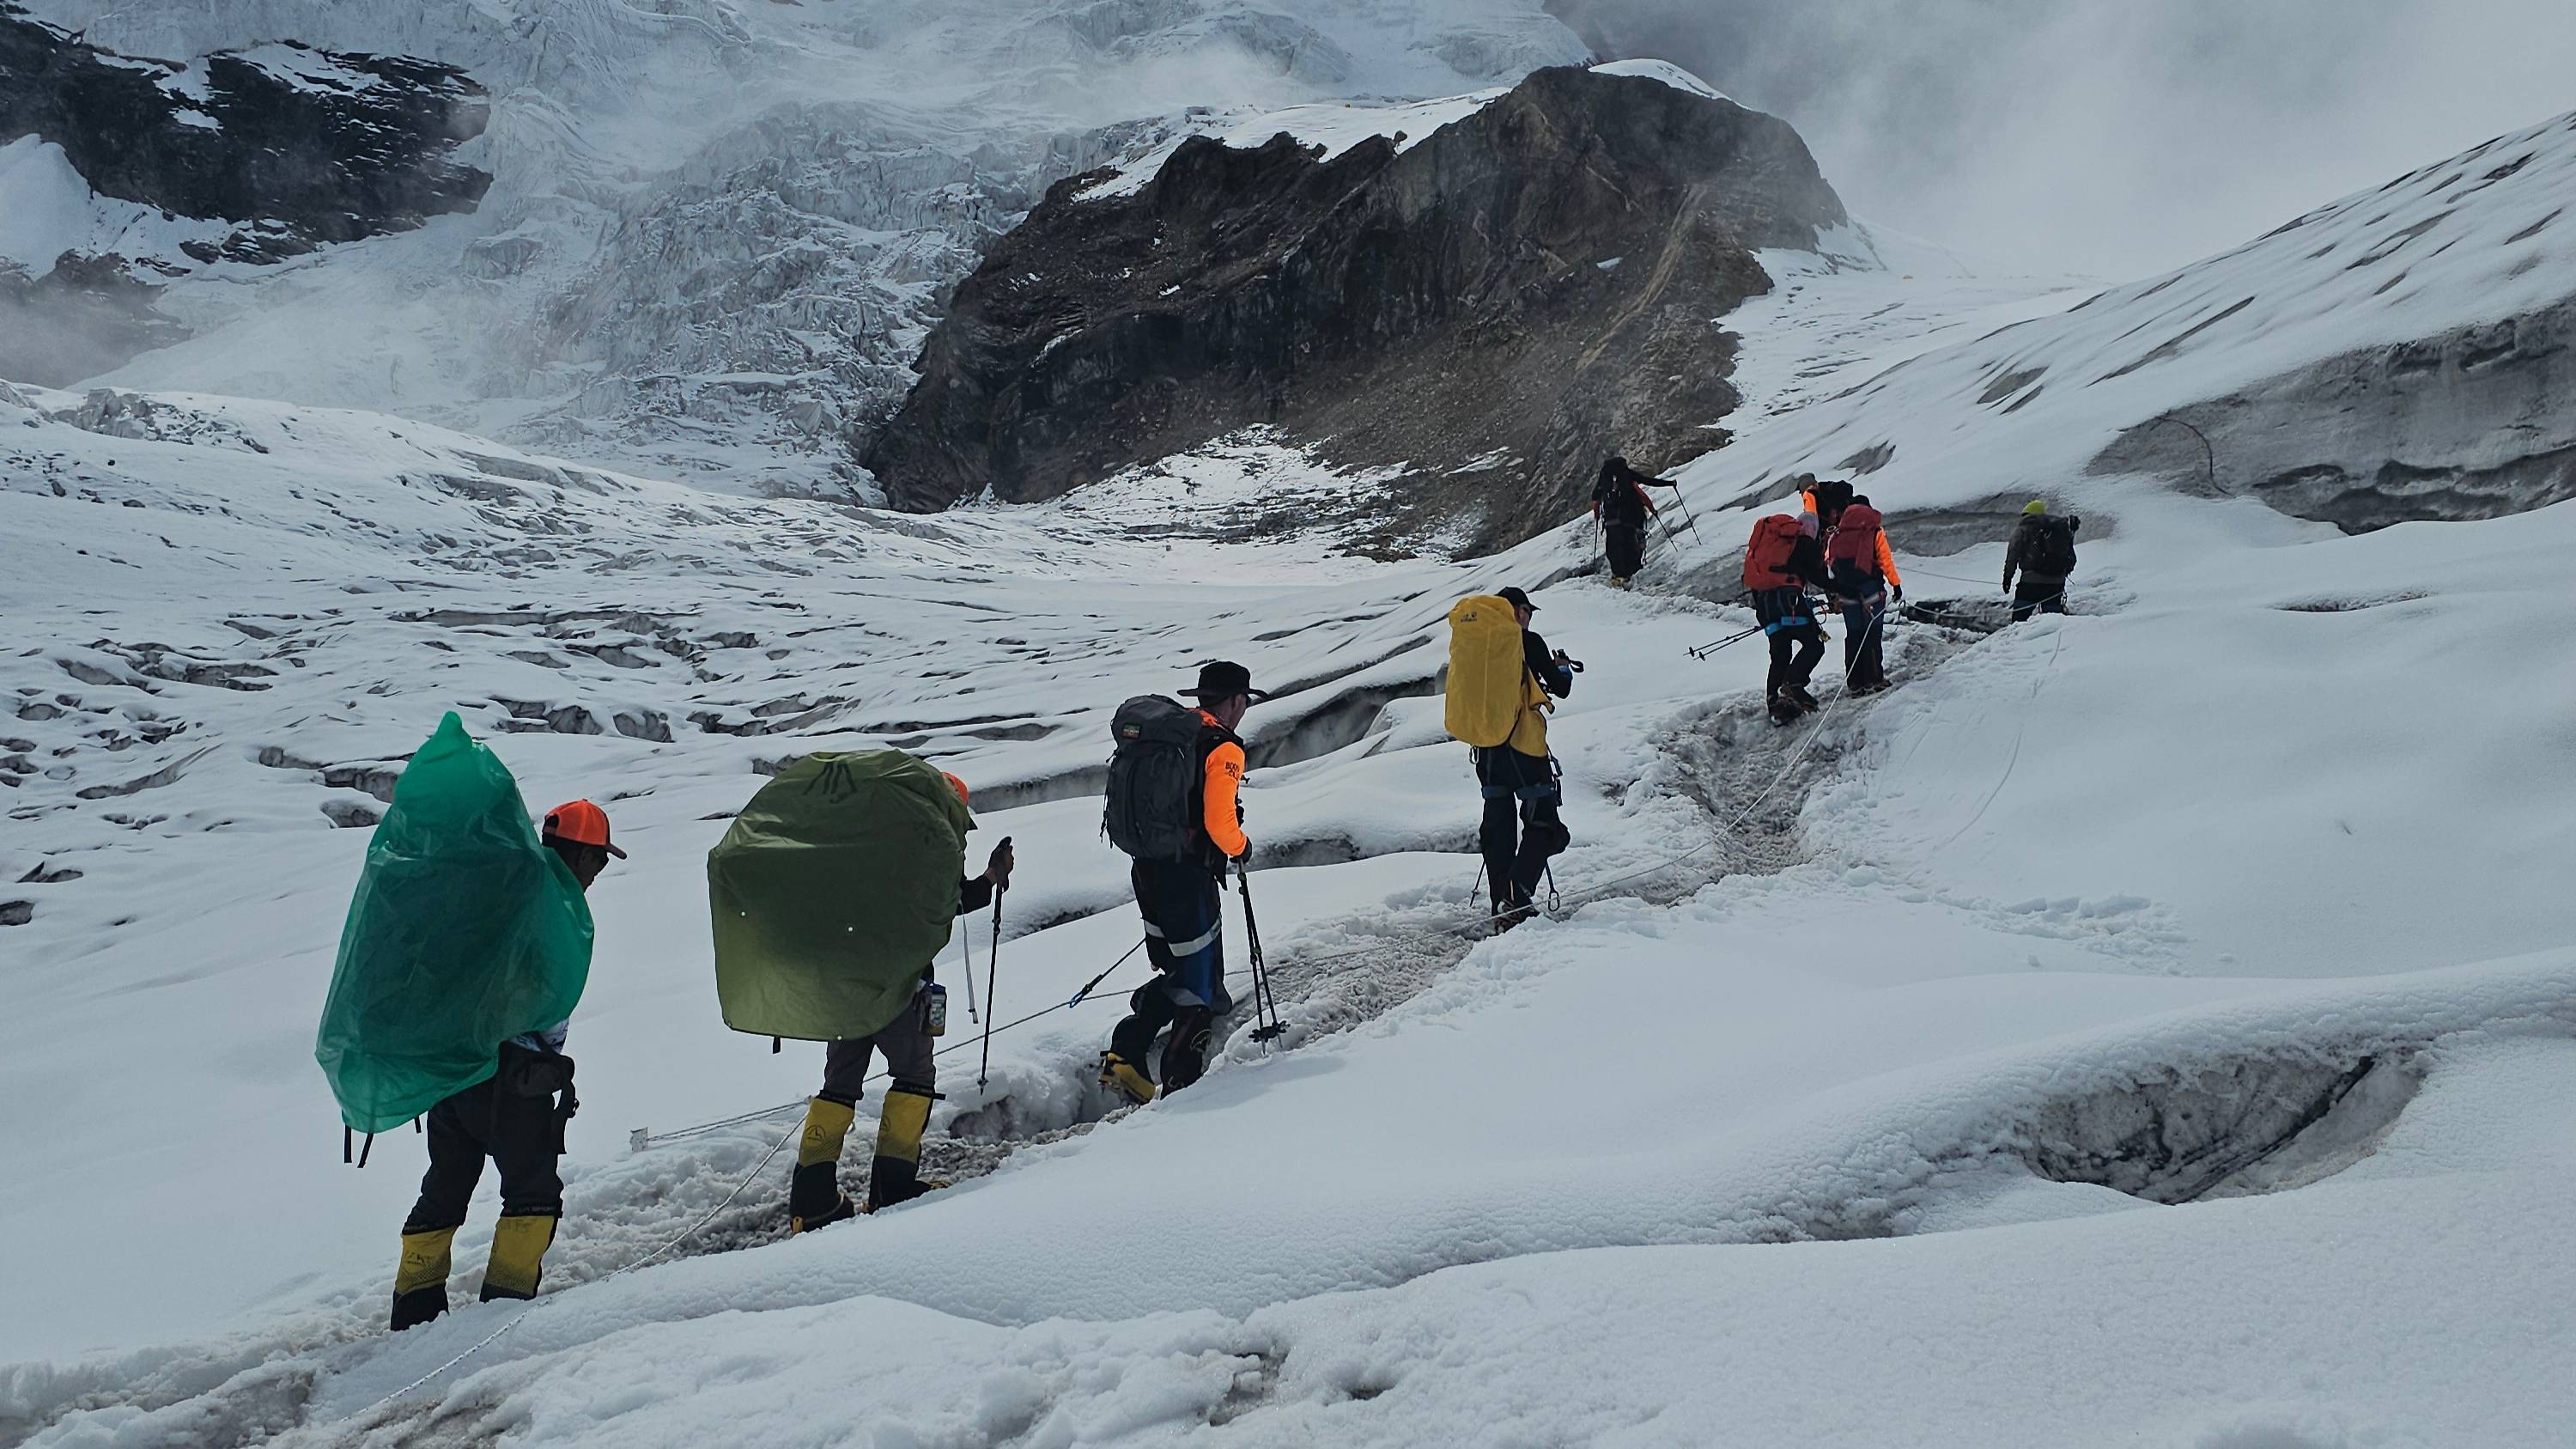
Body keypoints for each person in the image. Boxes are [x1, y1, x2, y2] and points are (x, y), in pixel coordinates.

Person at [392, 801, 623, 1331]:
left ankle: (413, 1317)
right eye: (600, 860)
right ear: (582, 855)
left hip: (458, 1071)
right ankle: (502, 1320)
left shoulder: (503, 892)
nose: (599, 873)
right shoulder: (551, 906)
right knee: (534, 1194)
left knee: (444, 1189)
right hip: (512, 1080)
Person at [787, 771, 1016, 1233]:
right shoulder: (927, 848)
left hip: (845, 986)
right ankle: (892, 1189)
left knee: (840, 1083)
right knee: (914, 1077)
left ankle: (810, 1204)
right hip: (898, 987)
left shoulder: (864, 844)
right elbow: (943, 904)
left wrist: (987, 877)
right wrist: (991, 879)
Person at [1100, 661, 1260, 1105]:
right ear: (1234, 701)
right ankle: (1180, 1093)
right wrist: (1241, 846)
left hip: (1147, 871)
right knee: (1200, 986)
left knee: (1176, 968)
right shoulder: (1221, 746)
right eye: (1243, 701)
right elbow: (1220, 823)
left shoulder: (1175, 732)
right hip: (1186, 879)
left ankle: (1124, 1058)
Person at [1476, 586, 1575, 929]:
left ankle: (1500, 905)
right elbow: (1559, 688)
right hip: (1524, 751)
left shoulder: (1480, 646)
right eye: (1527, 611)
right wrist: (1563, 670)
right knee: (1546, 826)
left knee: (1498, 830)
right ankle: (1517, 898)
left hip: (1487, 753)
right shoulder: (1527, 642)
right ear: (1515, 611)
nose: (1529, 618)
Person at [1741, 511, 1831, 724]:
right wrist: (1844, 590)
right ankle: (1793, 683)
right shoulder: (1804, 543)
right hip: (1790, 606)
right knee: (1815, 645)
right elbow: (1820, 576)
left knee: (1780, 655)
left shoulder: (1772, 546)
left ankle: (1775, 703)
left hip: (1765, 606)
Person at [1826, 495, 1902, 694]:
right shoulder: (1875, 531)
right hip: (1871, 590)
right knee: (1872, 633)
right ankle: (1874, 679)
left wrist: (1836, 588)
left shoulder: (1838, 533)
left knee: (1854, 635)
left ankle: (1854, 682)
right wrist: (1896, 584)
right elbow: (1885, 560)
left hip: (1847, 591)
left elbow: (1829, 561)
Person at [1591, 456, 1680, 587]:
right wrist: (1668, 486)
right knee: (1631, 544)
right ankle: (1632, 572)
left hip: (1610, 521)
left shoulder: (1605, 479)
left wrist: (1597, 515)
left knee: (1613, 546)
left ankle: (1617, 574)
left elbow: (1595, 498)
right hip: (1630, 519)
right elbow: (1645, 489)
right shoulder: (1627, 475)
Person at [2002, 498, 2080, 622]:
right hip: (2056, 583)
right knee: (2052, 621)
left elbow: (2013, 554)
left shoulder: (2023, 529)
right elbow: (2070, 555)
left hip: (2030, 583)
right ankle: (2051, 640)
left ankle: (2019, 641)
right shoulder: (2057, 529)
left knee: (2019, 619)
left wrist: (2007, 578)